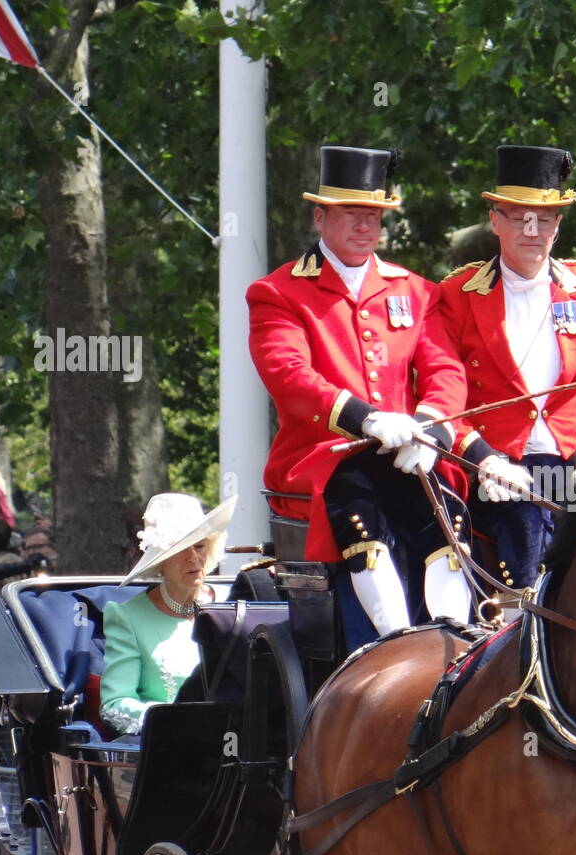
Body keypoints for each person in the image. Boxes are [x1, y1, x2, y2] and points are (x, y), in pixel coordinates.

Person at [247, 145, 472, 639]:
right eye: (352, 213)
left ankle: (453, 639)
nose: (365, 226)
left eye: (374, 215)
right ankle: (392, 644)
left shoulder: (415, 290)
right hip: (325, 454)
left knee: (446, 514)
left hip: (403, 449)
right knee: (360, 519)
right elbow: (288, 374)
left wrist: (432, 425)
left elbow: (445, 370)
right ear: (319, 216)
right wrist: (366, 418)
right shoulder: (279, 292)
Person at [438, 144, 576, 591]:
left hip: (574, 463)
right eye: (518, 216)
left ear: (559, 224)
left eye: (544, 218)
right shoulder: (457, 294)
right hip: (490, 467)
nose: (532, 229)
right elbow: (442, 390)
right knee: (527, 517)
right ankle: (527, 630)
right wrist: (481, 456)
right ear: (495, 221)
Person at [99, 494, 235, 736]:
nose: (194, 557)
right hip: (173, 752)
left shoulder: (233, 602)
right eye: (181, 548)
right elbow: (115, 704)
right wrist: (172, 721)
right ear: (160, 560)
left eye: (200, 545)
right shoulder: (127, 617)